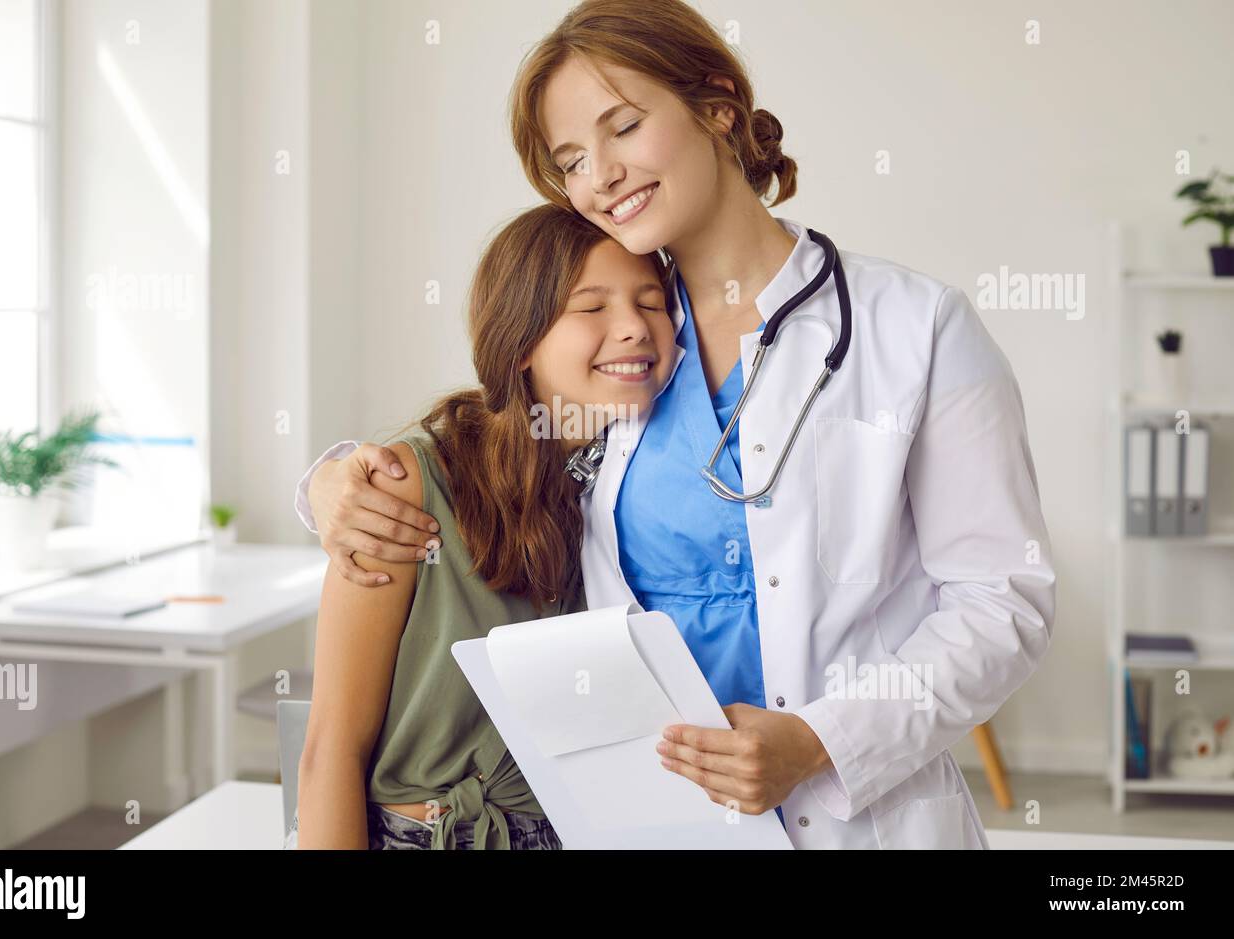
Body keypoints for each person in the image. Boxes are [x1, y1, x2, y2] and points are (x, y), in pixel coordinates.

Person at [295, 0, 1055, 849]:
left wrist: (819, 742)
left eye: (623, 127)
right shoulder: (625, 351)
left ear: (718, 106)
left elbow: (1004, 600)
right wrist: (330, 480)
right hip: (659, 824)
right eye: (572, 159)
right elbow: (489, 439)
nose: (602, 175)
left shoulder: (915, 328)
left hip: (863, 821)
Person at [291, 203, 675, 849]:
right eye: (592, 307)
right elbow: (331, 745)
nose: (634, 327)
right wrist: (322, 482)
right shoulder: (407, 484)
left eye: (653, 302)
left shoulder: (655, 485)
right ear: (520, 341)